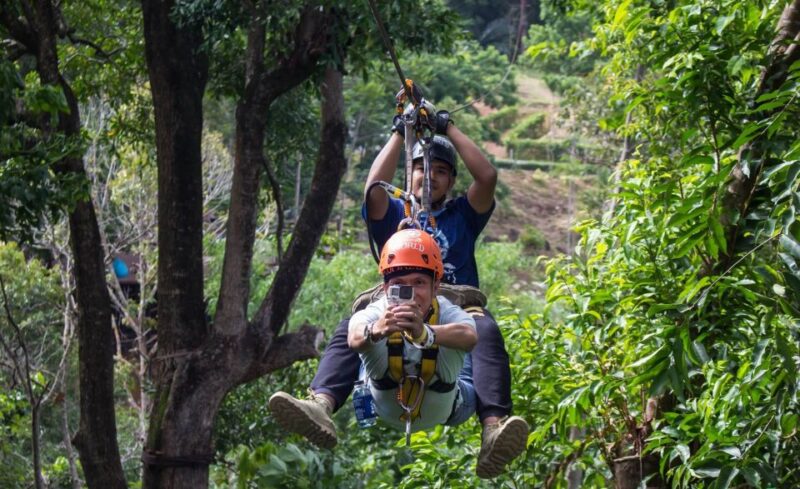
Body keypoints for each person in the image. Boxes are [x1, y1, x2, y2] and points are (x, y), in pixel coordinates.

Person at [270, 104, 528, 479]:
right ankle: (321, 404)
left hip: (455, 299)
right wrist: (400, 131)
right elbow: (374, 189)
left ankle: (493, 428)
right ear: (410, 173)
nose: (432, 177)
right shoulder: (395, 211)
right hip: (395, 297)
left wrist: (446, 127)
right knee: (350, 325)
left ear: (452, 181)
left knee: (485, 329)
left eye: (441, 171)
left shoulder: (462, 215)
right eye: (424, 168)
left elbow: (487, 176)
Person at [347, 229, 478, 432]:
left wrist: (425, 334)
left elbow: (469, 337)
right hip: (381, 403)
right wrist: (376, 330)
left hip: (453, 406)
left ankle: (494, 422)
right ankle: (325, 399)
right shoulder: (377, 311)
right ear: (384, 289)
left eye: (419, 283)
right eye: (399, 285)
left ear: (436, 287)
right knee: (365, 346)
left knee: (466, 337)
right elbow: (354, 337)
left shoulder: (447, 311)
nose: (411, 295)